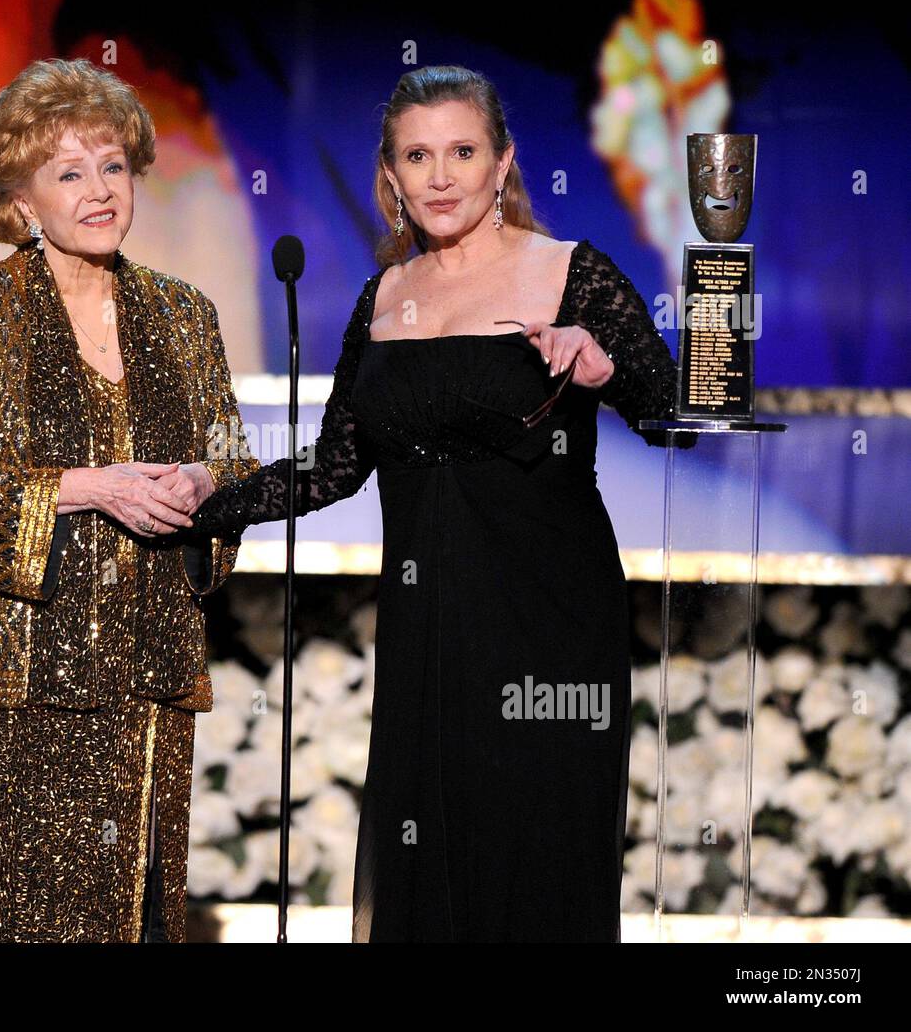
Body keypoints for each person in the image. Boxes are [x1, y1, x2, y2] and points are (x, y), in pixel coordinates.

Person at [186, 65, 690, 941]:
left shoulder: (574, 274)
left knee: (535, 854)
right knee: (429, 851)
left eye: (463, 151)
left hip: (550, 627)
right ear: (391, 176)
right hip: (427, 630)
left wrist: (609, 372)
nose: (442, 175)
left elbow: (675, 417)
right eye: (418, 156)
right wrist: (210, 500)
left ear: (503, 165)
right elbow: (334, 466)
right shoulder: (382, 300)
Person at [0, 58, 258, 942]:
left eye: (112, 165)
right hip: (15, 679)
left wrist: (206, 485)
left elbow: (233, 461)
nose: (100, 190)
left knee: (131, 912)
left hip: (146, 670)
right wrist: (86, 488)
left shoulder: (185, 314)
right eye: (69, 172)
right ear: (22, 201)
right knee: (13, 913)